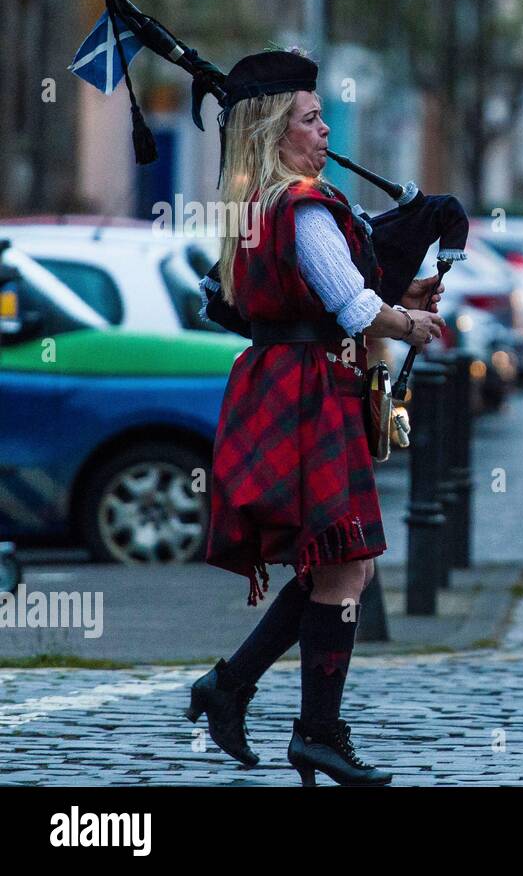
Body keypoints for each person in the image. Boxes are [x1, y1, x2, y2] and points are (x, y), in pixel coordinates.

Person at [184, 50, 447, 786]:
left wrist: (401, 307)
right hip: (303, 393)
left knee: (340, 562)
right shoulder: (299, 208)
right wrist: (408, 325)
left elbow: (342, 298)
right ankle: (315, 732)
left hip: (295, 386)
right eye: (310, 117)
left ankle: (234, 690)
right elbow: (354, 305)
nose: (326, 129)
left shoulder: (266, 205)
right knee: (344, 561)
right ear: (275, 129)